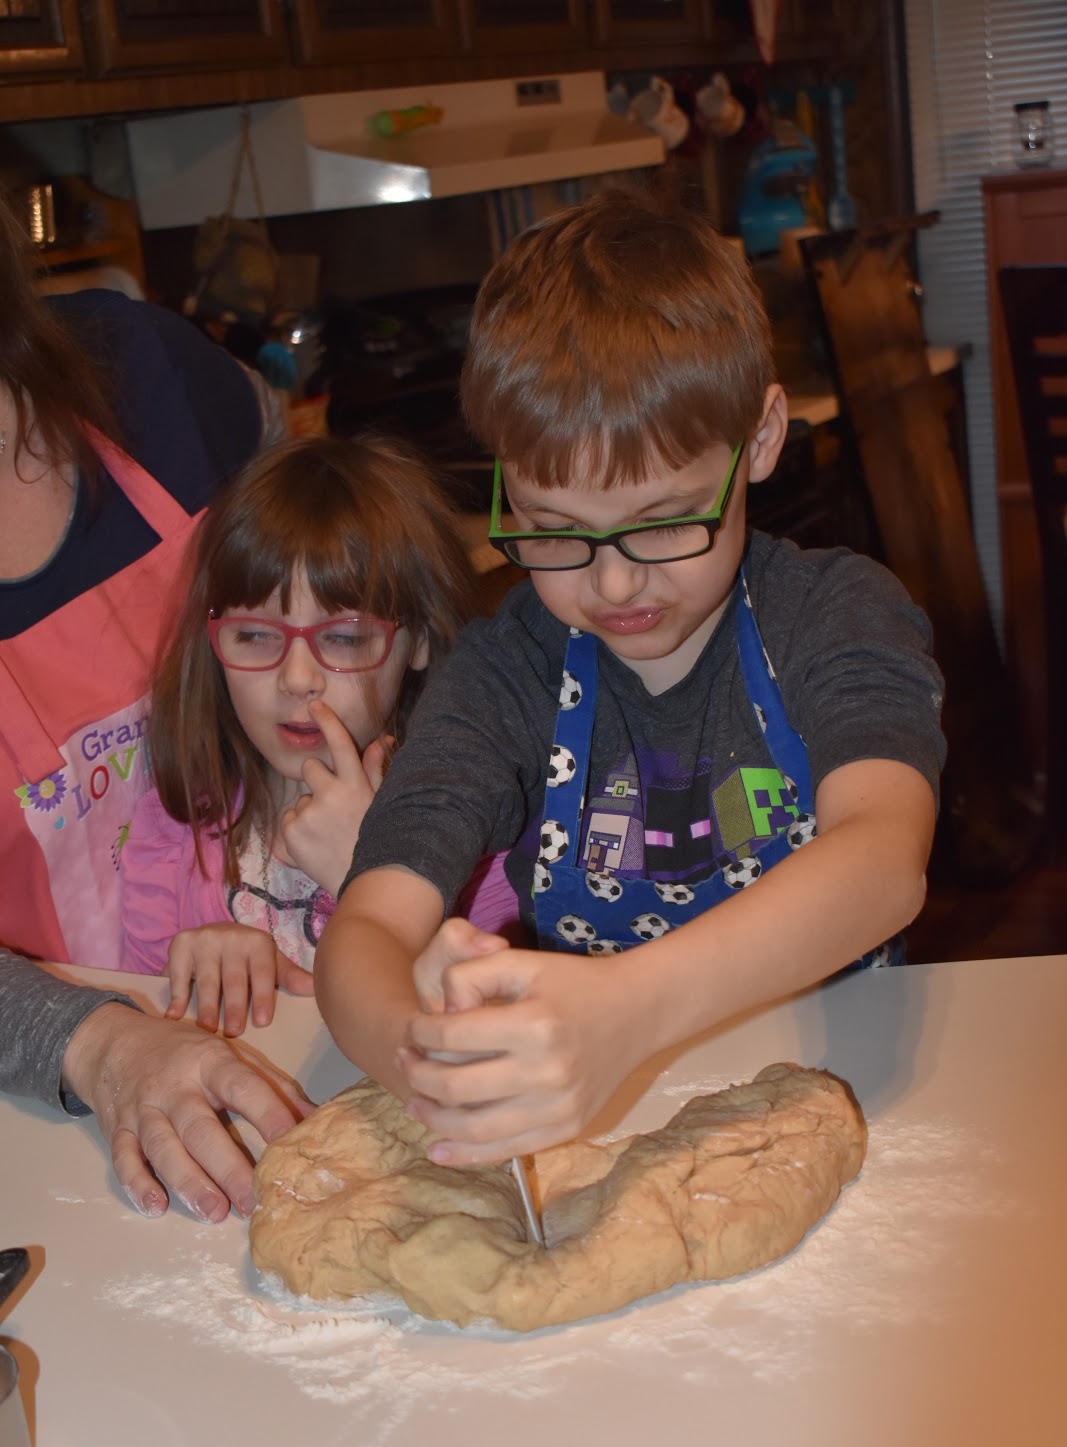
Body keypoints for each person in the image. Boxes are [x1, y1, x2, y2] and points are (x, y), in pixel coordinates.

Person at [314, 186, 947, 1169]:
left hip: (839, 1088)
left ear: (761, 437)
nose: (611, 581)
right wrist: (428, 1059)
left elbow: (880, 861)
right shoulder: (506, 670)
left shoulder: (832, 614)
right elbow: (363, 931)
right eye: (554, 529)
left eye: (662, 520)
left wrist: (625, 1010)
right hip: (597, 1124)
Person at [0, 184, 305, 1222]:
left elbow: (333, 564)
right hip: (36, 1107)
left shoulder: (151, 379)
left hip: (294, 1006)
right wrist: (105, 1041)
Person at [119, 432, 489, 1038]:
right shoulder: (173, 827)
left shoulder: (474, 821)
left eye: (344, 637)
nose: (296, 679)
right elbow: (142, 1034)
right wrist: (195, 965)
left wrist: (370, 873)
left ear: (419, 639)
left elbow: (484, 1026)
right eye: (256, 635)